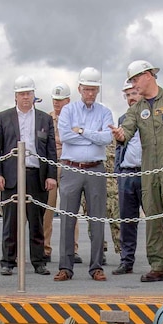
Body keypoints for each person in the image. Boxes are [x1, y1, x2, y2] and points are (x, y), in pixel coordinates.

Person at [113, 60, 163, 285]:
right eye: (131, 81)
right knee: (153, 220)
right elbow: (126, 131)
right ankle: (158, 266)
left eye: (136, 79)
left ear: (149, 75)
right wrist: (119, 135)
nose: (134, 84)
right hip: (148, 172)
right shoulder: (137, 108)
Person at [0, 76, 57, 276]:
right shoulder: (4, 117)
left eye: (28, 93)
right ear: (15, 96)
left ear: (34, 95)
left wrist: (51, 175)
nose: (25, 97)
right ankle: (8, 262)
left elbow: (51, 150)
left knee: (36, 221)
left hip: (36, 175)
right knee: (10, 222)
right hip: (11, 176)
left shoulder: (45, 119)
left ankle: (38, 261)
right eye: (21, 94)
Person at [55, 67, 114, 281]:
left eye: (94, 89)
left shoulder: (104, 112)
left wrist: (81, 131)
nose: (90, 93)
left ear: (98, 90)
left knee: (97, 219)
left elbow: (107, 138)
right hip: (71, 167)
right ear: (80, 88)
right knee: (67, 219)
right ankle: (65, 267)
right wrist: (92, 136)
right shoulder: (69, 111)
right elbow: (65, 136)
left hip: (95, 168)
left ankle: (96, 266)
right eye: (87, 89)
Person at [114, 78, 144, 274]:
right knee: (126, 221)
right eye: (128, 95)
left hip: (147, 173)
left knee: (154, 219)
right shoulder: (123, 119)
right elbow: (119, 147)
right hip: (127, 173)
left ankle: (158, 263)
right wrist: (118, 171)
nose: (131, 98)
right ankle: (126, 261)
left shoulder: (151, 117)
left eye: (134, 93)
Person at [42, 83, 70, 259]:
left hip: (69, 164)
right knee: (47, 209)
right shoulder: (46, 119)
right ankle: (45, 248)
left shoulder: (75, 118)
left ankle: (71, 250)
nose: (56, 103)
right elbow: (45, 143)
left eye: (60, 100)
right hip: (51, 166)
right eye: (54, 100)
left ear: (68, 100)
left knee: (69, 209)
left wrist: (60, 139)